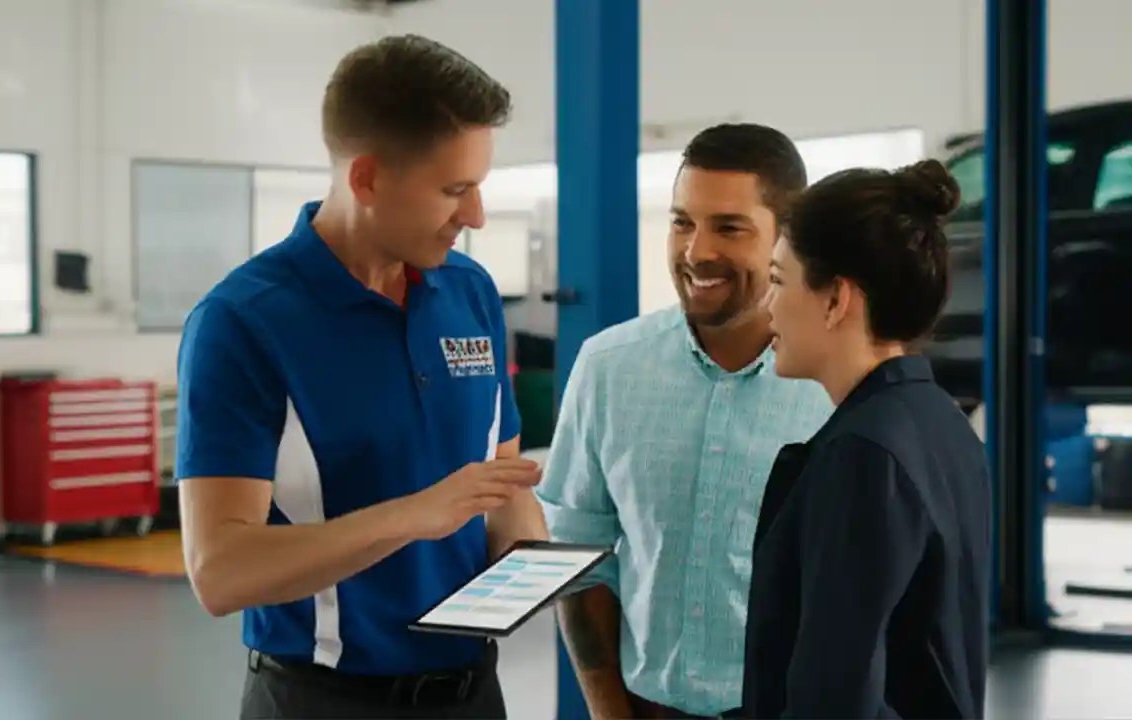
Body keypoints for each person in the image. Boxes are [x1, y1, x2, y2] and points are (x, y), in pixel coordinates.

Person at [174, 34, 548, 719]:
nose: (476, 216)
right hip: (323, 699)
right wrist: (415, 515)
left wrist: (529, 559)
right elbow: (221, 572)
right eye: (454, 190)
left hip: (473, 694)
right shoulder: (244, 322)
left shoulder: (471, 292)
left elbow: (500, 487)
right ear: (367, 178)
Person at [534, 124, 834, 719]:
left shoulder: (833, 384)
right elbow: (578, 557)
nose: (697, 251)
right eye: (682, 222)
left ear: (785, 238)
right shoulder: (608, 367)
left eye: (729, 227)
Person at [740, 160, 991, 719]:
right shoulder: (940, 423)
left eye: (779, 281)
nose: (767, 306)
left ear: (837, 300)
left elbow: (835, 690)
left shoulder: (864, 457)